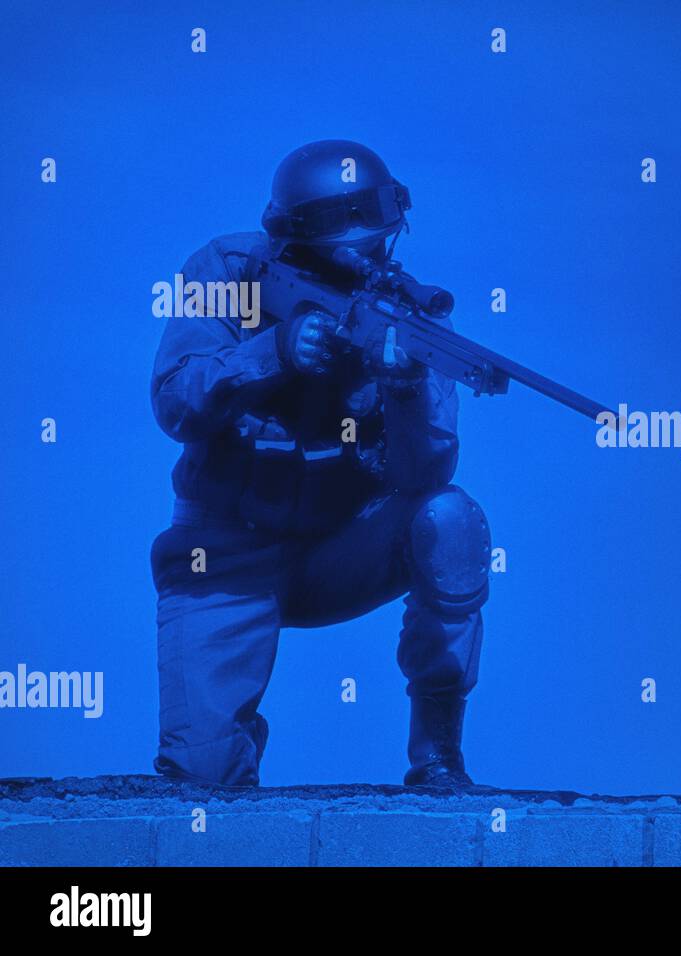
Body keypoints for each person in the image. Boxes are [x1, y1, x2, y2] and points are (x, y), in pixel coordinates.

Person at [149, 140, 489, 789]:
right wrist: (275, 352)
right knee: (202, 779)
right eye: (346, 250)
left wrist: (406, 387)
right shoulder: (231, 271)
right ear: (296, 239)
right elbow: (175, 404)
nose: (367, 262)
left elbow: (426, 477)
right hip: (223, 560)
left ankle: (438, 760)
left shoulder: (407, 321)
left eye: (379, 243)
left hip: (342, 550)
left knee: (451, 519)